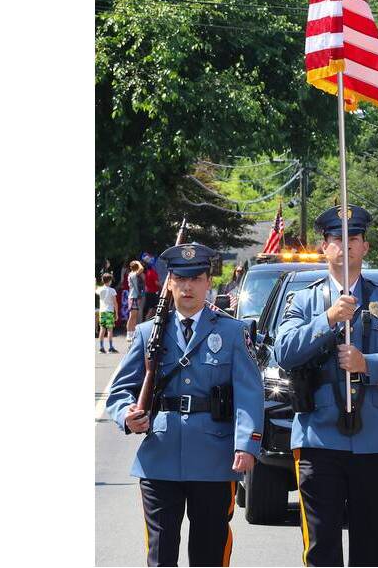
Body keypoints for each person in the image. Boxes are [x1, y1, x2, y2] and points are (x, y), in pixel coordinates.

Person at [274, 205, 378, 567]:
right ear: (324, 247)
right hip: (318, 438)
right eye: (337, 239)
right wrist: (327, 318)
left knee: (372, 547)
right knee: (321, 546)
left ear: (365, 247)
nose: (345, 246)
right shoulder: (305, 300)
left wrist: (366, 364)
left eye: (353, 239)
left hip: (374, 436)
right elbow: (284, 352)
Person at [105, 243, 264, 567]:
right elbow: (120, 390)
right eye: (180, 278)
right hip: (159, 457)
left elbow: (249, 392)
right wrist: (127, 415)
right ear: (170, 283)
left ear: (208, 282)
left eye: (196, 278)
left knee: (208, 551)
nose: (188, 286)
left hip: (214, 459)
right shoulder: (149, 333)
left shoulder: (232, 332)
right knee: (160, 554)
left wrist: (246, 444)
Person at [97, 273, 119, 353]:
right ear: (109, 281)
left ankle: (101, 347)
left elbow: (95, 288)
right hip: (109, 311)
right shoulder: (112, 290)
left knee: (102, 329)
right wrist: (116, 313)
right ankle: (110, 347)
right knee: (110, 330)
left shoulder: (100, 289)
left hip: (102, 311)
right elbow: (115, 302)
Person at [125, 260, 144, 341]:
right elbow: (142, 268)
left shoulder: (132, 274)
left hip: (134, 297)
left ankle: (132, 333)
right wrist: (138, 262)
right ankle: (128, 333)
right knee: (132, 316)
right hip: (133, 297)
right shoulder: (133, 274)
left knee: (134, 316)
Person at [142, 256, 162, 321]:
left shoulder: (147, 272)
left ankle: (146, 320)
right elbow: (156, 283)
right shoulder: (152, 272)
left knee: (151, 308)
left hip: (148, 292)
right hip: (153, 292)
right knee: (153, 308)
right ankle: (148, 321)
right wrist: (162, 286)